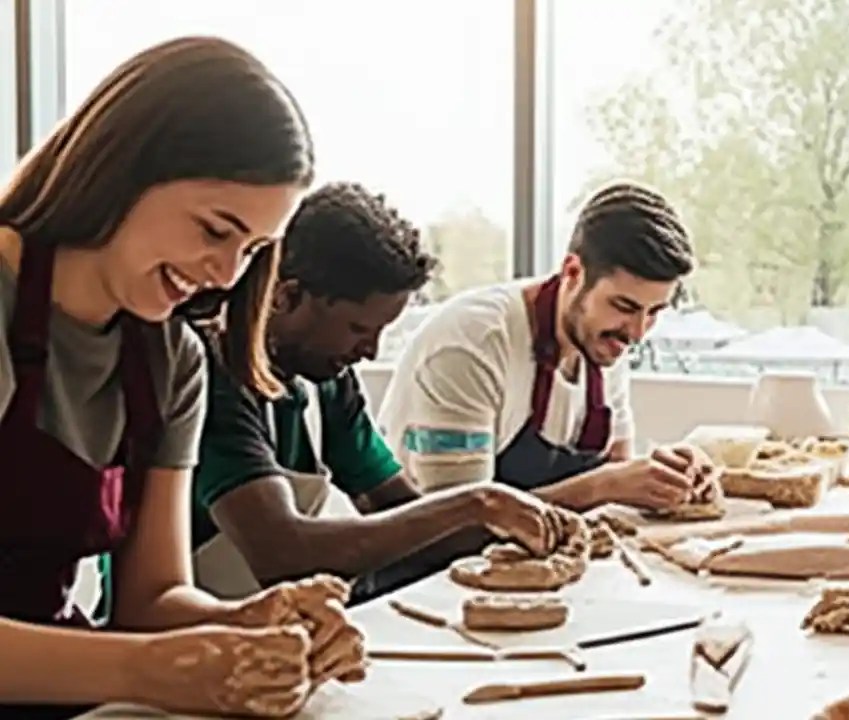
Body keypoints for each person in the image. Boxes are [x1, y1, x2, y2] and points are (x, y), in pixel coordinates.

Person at [0, 37, 366, 719]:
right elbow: (141, 648)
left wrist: (256, 623)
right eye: (214, 229)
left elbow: (153, 598)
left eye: (252, 249)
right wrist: (145, 670)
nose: (226, 275)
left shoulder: (173, 361)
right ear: (125, 169)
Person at [191, 181, 563, 603]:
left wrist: (540, 526)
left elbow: (398, 509)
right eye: (358, 329)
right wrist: (476, 503)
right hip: (187, 640)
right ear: (286, 297)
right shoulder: (213, 379)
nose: (369, 352)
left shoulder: (327, 383)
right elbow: (280, 550)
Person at [378, 181, 711, 511]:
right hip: (431, 561)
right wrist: (603, 486)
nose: (638, 334)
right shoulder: (472, 345)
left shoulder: (606, 339)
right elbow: (456, 521)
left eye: (654, 312)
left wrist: (667, 477)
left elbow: (618, 468)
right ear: (573, 271)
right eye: (624, 306)